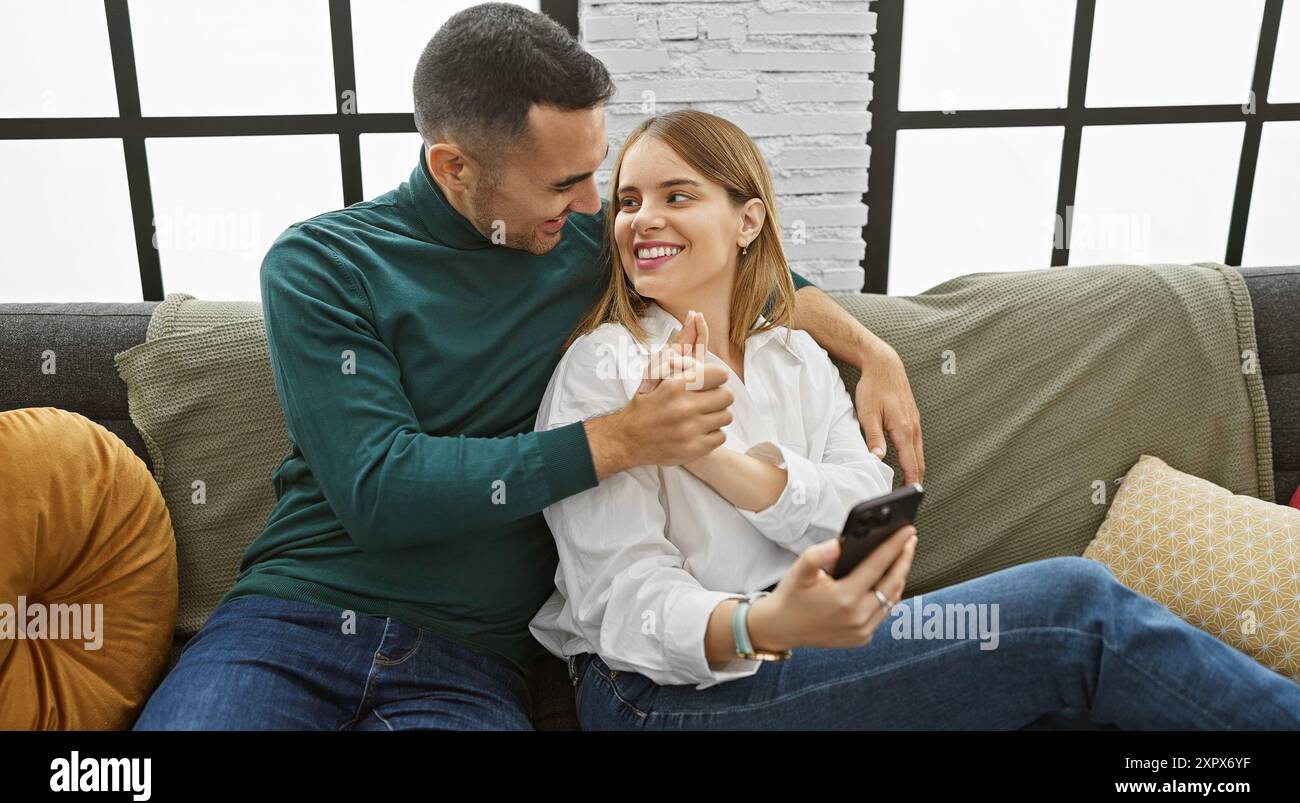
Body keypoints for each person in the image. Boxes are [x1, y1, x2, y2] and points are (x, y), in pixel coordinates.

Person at [132, 3, 923, 730]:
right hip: (291, 620)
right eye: (566, 183)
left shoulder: (583, 243)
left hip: (469, 661)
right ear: (454, 168)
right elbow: (379, 488)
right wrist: (623, 438)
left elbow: (750, 270)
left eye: (598, 173)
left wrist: (872, 348)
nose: (597, 210)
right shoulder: (325, 263)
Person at [529, 108, 1300, 730]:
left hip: (813, 640)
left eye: (676, 195)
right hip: (657, 695)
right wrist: (760, 624)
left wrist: (728, 466)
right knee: (1077, 609)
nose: (640, 220)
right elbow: (621, 602)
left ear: (748, 221)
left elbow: (860, 509)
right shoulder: (604, 370)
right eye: (628, 201)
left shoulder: (796, 357)